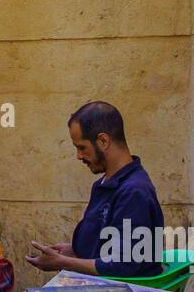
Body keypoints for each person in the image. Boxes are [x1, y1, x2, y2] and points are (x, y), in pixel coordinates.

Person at [25, 101, 165, 277]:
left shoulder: (134, 192)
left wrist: (63, 262)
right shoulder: (104, 185)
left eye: (82, 147)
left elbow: (123, 265)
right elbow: (106, 245)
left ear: (103, 141)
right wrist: (70, 250)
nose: (79, 156)